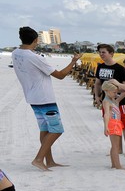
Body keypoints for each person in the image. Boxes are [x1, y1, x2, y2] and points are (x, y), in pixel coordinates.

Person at [11, 26, 80, 171]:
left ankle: (49, 161)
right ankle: (38, 159)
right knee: (56, 130)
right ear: (36, 40)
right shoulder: (35, 57)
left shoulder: (16, 53)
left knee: (45, 129)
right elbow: (60, 75)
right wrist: (73, 61)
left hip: (32, 97)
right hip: (44, 98)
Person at [92, 44, 125, 156]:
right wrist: (97, 96)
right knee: (112, 125)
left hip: (121, 102)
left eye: (103, 52)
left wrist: (118, 100)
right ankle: (117, 149)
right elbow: (98, 83)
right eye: (99, 52)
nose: (101, 54)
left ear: (111, 53)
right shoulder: (100, 67)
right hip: (106, 101)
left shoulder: (120, 68)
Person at [100, 81, 125, 172]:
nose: (115, 94)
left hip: (116, 123)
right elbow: (106, 114)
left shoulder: (112, 99)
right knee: (115, 146)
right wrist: (106, 127)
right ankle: (118, 165)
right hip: (113, 123)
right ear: (106, 91)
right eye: (114, 92)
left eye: (116, 92)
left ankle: (114, 164)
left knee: (114, 146)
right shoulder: (106, 101)